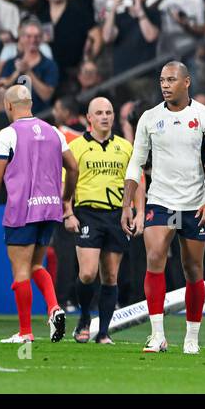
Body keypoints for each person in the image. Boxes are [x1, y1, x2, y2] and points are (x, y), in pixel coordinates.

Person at [121, 61, 205, 355]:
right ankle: (157, 336)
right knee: (154, 256)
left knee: (193, 270)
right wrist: (127, 204)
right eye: (162, 80)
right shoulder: (149, 118)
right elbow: (136, 163)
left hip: (195, 203)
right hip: (161, 200)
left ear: (187, 82)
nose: (165, 85)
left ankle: (192, 337)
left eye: (171, 80)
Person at [0, 83, 80, 344]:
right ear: (31, 104)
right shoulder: (55, 132)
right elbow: (74, 168)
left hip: (22, 209)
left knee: (21, 270)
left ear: (8, 106)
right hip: (49, 208)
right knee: (36, 265)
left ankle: (25, 332)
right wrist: (65, 198)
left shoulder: (8, 134)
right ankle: (54, 308)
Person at [65, 96, 135, 344]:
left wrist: (136, 211)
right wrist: (68, 212)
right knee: (87, 273)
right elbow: (66, 182)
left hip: (116, 214)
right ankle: (84, 316)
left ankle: (103, 332)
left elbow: (136, 181)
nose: (105, 117)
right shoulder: (76, 147)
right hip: (88, 212)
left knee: (110, 275)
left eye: (109, 112)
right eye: (100, 113)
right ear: (89, 118)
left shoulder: (126, 147)